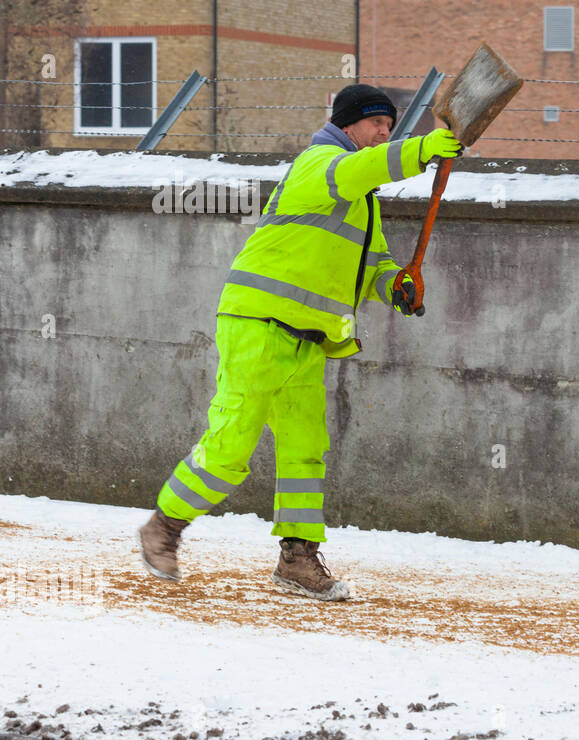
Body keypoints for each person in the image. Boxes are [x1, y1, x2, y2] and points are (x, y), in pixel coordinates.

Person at [136, 83, 462, 600]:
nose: (384, 133)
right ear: (349, 124)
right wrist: (422, 149)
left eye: (390, 127)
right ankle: (164, 528)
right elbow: (358, 172)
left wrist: (396, 286)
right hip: (259, 322)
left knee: (305, 451)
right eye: (377, 124)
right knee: (230, 448)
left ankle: (297, 559)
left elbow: (371, 266)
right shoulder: (320, 163)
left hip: (309, 336)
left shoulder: (362, 203)